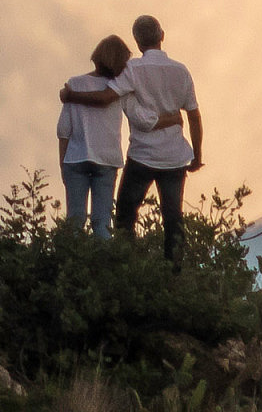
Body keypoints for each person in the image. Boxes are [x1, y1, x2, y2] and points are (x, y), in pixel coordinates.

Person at [61, 15, 202, 266]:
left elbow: (105, 97)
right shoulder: (181, 71)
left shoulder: (133, 70)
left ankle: (127, 267)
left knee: (125, 214)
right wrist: (197, 155)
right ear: (162, 36)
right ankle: (174, 272)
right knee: (173, 218)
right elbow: (193, 116)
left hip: (143, 156)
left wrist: (72, 96)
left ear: (137, 42)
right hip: (175, 157)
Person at [57, 34, 182, 239]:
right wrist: (172, 119)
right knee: (102, 223)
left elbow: (64, 131)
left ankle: (70, 266)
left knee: (74, 221)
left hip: (75, 159)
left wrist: (63, 165)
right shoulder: (120, 90)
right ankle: (106, 268)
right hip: (107, 161)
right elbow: (143, 119)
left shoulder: (74, 84)